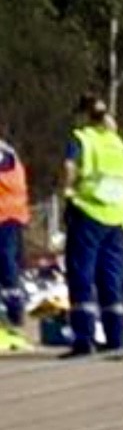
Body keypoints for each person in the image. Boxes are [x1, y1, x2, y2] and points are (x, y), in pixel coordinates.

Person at [61, 94, 123, 358]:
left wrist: (67, 191)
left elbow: (68, 167)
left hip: (88, 213)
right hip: (117, 218)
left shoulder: (83, 139)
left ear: (85, 115)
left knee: (82, 276)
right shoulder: (118, 143)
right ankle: (116, 340)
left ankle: (84, 340)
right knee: (112, 279)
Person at [0, 135, 30, 327]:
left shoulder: (2, 152)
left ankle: (13, 311)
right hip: (9, 213)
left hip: (5, 214)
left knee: (6, 263)